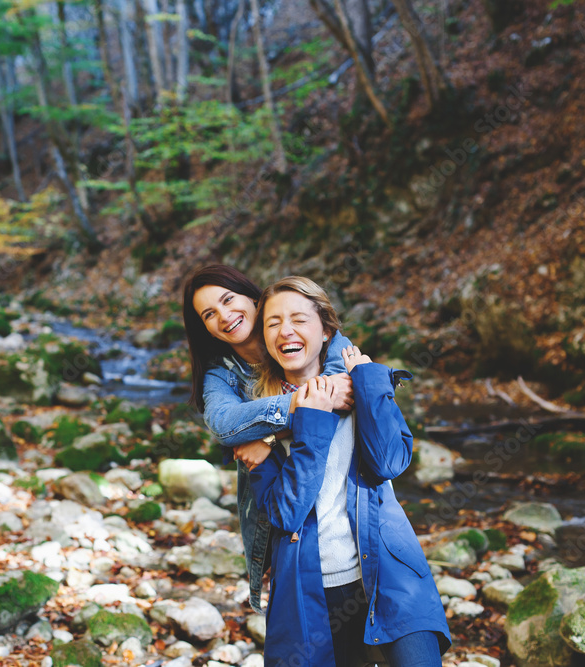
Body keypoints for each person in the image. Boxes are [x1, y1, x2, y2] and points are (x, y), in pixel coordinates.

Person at [247, 276, 450, 667]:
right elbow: (287, 513)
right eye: (272, 323)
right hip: (310, 594)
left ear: (325, 330)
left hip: (390, 575)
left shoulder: (358, 387)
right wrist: (311, 420)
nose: (285, 330)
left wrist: (372, 382)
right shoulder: (260, 421)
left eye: (298, 319)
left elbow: (388, 463)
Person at [182, 264, 353, 612]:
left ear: (254, 297)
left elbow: (345, 390)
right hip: (287, 515)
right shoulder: (222, 377)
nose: (225, 316)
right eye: (209, 314)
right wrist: (303, 404)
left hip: (349, 508)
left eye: (229, 300)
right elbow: (223, 425)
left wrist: (268, 437)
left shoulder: (315, 334)